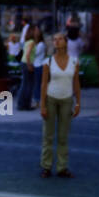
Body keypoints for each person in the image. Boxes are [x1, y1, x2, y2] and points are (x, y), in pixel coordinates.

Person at [39, 32, 81, 178]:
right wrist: (42, 105)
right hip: (51, 98)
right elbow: (44, 84)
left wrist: (78, 103)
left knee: (63, 136)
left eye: (60, 39)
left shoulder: (74, 61)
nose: (56, 42)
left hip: (67, 100)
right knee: (48, 135)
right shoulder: (48, 61)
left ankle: (62, 167)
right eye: (54, 39)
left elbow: (76, 83)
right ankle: (46, 166)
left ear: (66, 42)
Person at [17, 25, 36, 110]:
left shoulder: (27, 41)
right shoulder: (32, 42)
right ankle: (26, 104)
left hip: (23, 62)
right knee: (28, 85)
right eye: (36, 30)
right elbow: (28, 54)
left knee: (24, 84)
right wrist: (29, 65)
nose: (37, 32)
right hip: (27, 63)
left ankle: (21, 104)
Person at [31, 25, 47, 108]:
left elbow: (34, 54)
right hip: (37, 65)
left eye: (37, 31)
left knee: (38, 84)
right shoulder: (37, 44)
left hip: (39, 65)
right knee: (37, 84)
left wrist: (30, 49)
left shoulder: (41, 44)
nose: (35, 33)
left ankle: (38, 101)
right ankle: (38, 101)